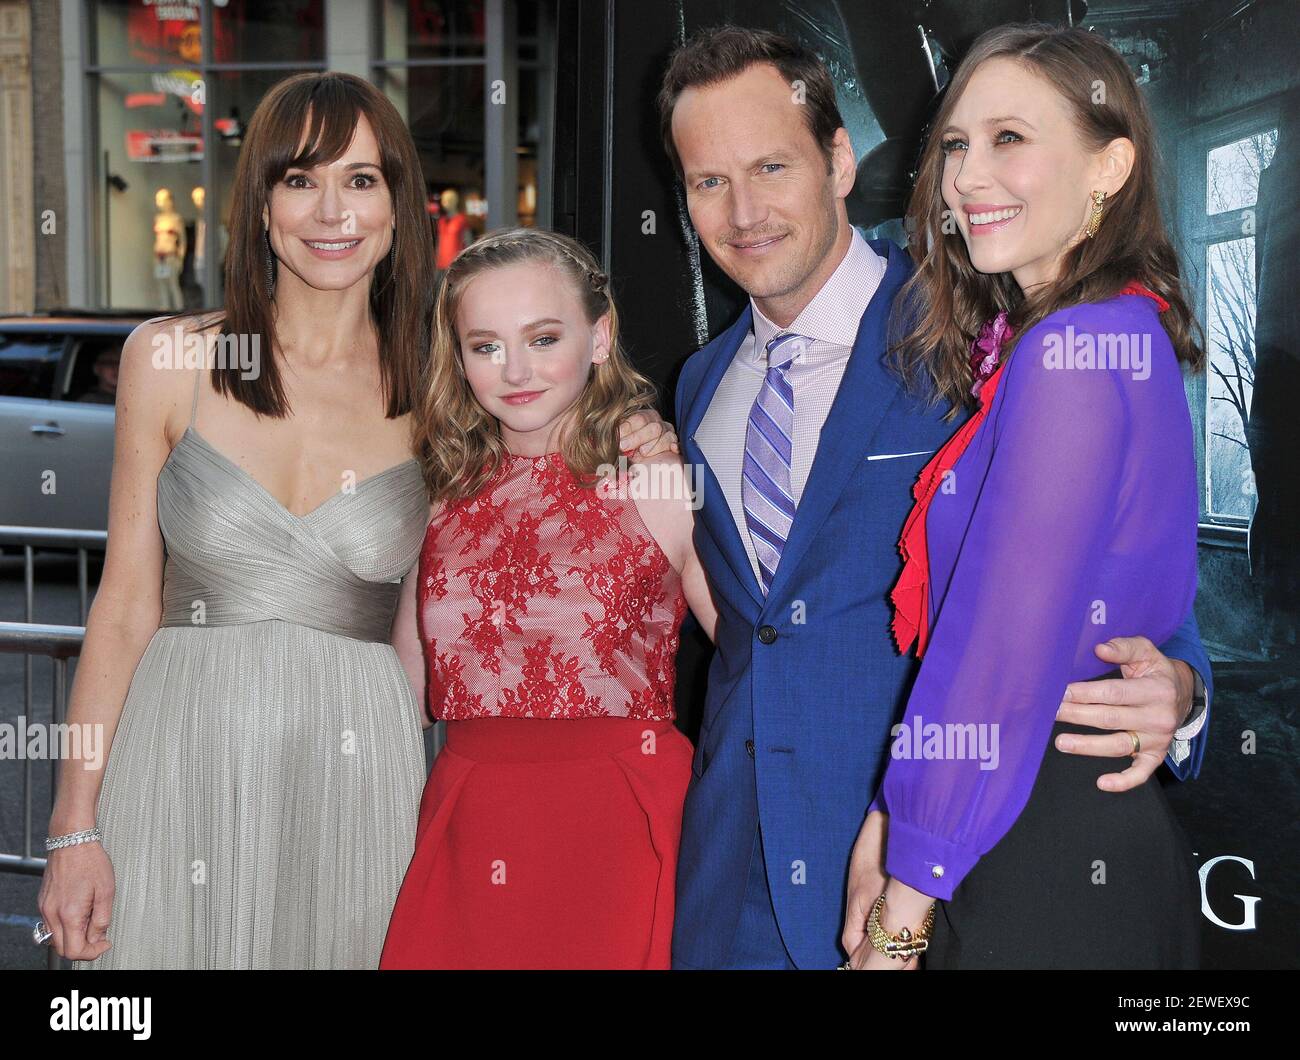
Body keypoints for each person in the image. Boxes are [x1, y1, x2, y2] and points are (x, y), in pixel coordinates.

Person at [37, 72, 673, 969]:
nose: (331, 211)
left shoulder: (439, 392)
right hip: (178, 752)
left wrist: (637, 432)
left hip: (356, 767)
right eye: (299, 179)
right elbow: (123, 607)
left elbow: (556, 424)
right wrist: (73, 824)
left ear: (398, 207)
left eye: (362, 180)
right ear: (260, 204)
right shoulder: (173, 359)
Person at [658, 25, 1212, 969]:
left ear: (839, 160)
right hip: (740, 884)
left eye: (770, 166)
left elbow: (1088, 589)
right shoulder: (698, 387)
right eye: (709, 181)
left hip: (950, 878)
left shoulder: (982, 332)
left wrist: (1183, 690)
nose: (743, 210)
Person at [844, 23, 1205, 970]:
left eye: (1010, 139)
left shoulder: (1070, 352)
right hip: (1058, 836)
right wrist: (893, 820)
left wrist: (899, 917)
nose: (965, 177)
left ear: (1109, 167)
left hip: (1028, 849)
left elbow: (999, 646)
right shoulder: (1124, 332)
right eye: (956, 144)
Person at [378, 228, 716, 969]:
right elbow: (399, 691)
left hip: (619, 827)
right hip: (469, 823)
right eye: (486, 345)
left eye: (542, 337)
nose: (516, 369)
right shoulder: (443, 498)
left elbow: (759, 655)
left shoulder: (656, 477)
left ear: (599, 338)